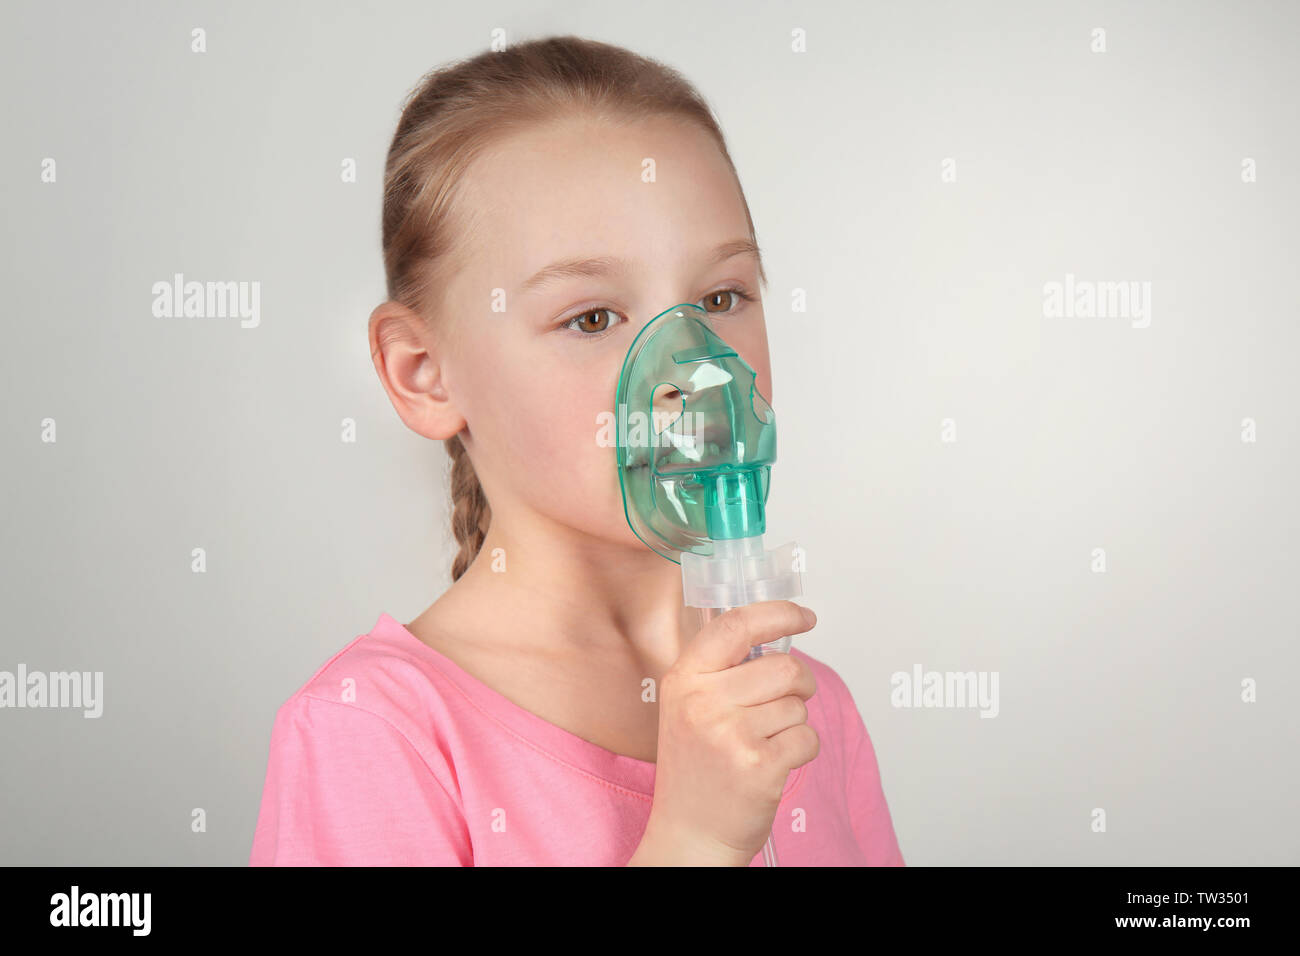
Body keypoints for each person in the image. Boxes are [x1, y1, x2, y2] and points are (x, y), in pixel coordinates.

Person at [249, 34, 903, 867]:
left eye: (721, 296)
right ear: (424, 374)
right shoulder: (374, 732)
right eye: (592, 317)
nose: (694, 370)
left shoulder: (804, 710)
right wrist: (694, 840)